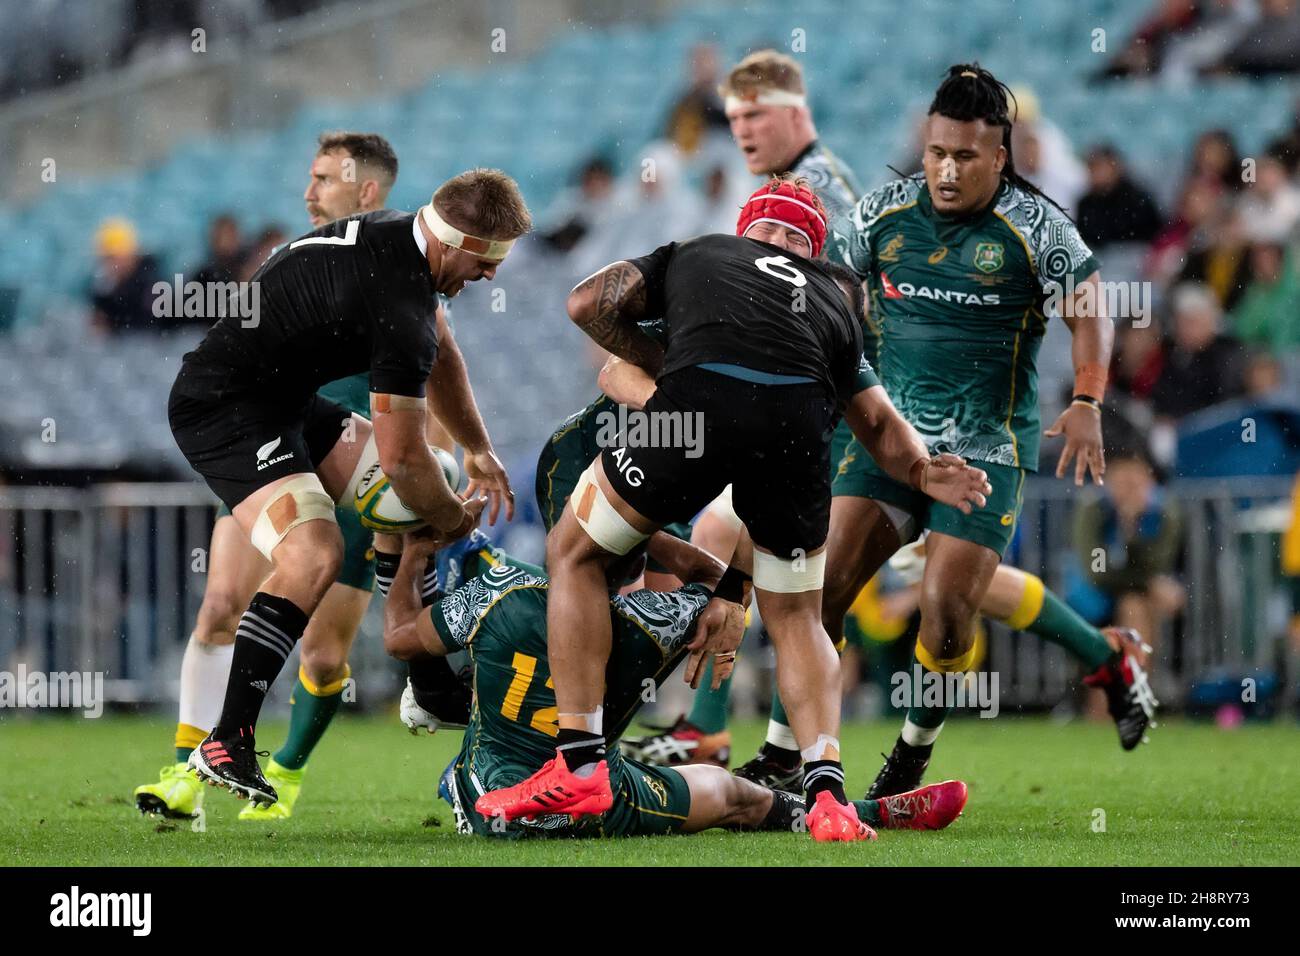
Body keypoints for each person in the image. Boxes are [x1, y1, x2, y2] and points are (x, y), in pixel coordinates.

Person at [475, 174, 990, 843]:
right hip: (793, 428)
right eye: (776, 230)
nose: (774, 239)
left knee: (574, 551)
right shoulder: (833, 303)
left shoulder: (703, 251)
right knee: (800, 615)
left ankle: (579, 763)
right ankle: (827, 793)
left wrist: (683, 367)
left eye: (782, 231)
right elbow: (879, 424)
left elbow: (587, 308)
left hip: (692, 418)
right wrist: (924, 470)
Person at [826, 64, 1154, 800]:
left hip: (984, 447)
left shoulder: (1035, 225)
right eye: (936, 151)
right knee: (823, 591)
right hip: (888, 443)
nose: (945, 168)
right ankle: (797, 761)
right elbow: (827, 292)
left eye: (965, 156)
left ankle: (910, 755)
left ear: (999, 156)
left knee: (946, 613)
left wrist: (1090, 400)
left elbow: (1089, 308)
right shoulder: (882, 211)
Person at [169, 168, 529, 805]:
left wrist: (476, 449)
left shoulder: (402, 239)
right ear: (455, 243)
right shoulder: (401, 303)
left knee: (422, 492)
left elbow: (442, 350)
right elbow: (402, 461)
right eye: (487, 261)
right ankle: (227, 739)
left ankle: (428, 682)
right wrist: (452, 522)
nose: (492, 276)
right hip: (224, 407)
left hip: (283, 400)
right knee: (320, 551)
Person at [136, 131, 446, 821]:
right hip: (270, 448)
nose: (308, 192)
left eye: (323, 179)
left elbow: (433, 397)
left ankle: (289, 769)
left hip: (353, 469)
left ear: (366, 192)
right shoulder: (288, 262)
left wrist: (446, 473)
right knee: (219, 606)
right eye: (308, 178)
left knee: (323, 654)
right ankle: (190, 771)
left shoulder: (406, 282)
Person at [383, 519, 968, 840]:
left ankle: (862, 812)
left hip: (494, 799)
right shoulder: (657, 623)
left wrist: (412, 553)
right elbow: (719, 579)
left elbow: (400, 636)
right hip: (599, 799)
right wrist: (636, 523)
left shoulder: (498, 592)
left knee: (720, 788)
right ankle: (859, 811)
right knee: (733, 795)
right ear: (636, 562)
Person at [90, 218, 163, 334]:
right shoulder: (105, 288)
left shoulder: (149, 284)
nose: (109, 265)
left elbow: (147, 325)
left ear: (130, 256)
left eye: (113, 258)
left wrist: (111, 324)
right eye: (105, 259)